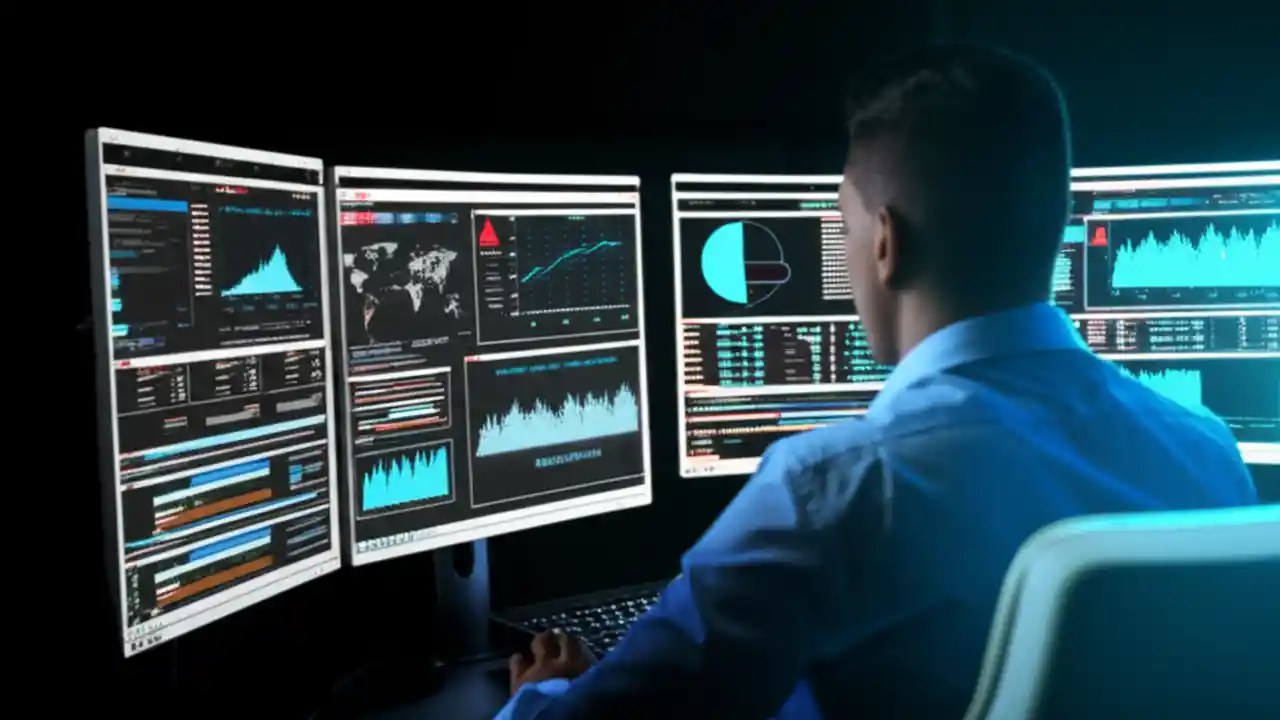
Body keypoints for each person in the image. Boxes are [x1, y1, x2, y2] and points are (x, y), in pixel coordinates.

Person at [495, 44, 1259, 719]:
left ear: (886, 241)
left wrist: (544, 694)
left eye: (843, 225)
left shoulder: (830, 489)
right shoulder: (1205, 450)